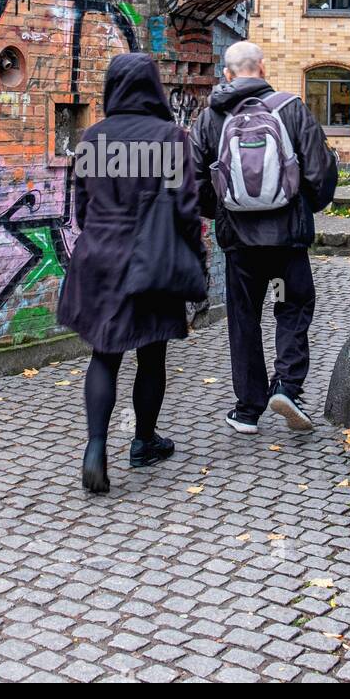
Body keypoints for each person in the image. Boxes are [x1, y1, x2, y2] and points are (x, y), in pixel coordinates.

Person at [58, 53, 205, 494]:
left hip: (98, 259)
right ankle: (143, 441)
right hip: (151, 261)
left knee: (103, 354)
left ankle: (96, 447)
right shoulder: (170, 139)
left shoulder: (92, 138)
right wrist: (194, 259)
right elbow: (186, 209)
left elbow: (81, 209)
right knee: (152, 355)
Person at [191, 41, 338, 434]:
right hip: (287, 238)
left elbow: (192, 181)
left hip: (239, 242)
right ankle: (288, 387)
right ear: (263, 68)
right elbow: (320, 174)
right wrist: (305, 206)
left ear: (227, 74)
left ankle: (248, 409)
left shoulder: (209, 118)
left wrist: (224, 208)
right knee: (292, 306)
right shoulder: (290, 108)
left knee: (244, 318)